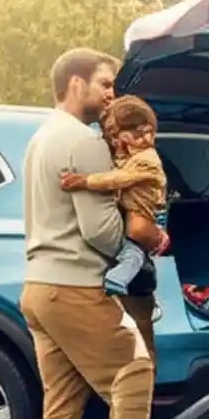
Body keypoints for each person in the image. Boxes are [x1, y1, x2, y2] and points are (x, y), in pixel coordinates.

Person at [19, 47, 166, 419]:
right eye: (105, 84)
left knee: (59, 415)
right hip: (76, 287)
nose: (111, 94)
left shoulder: (39, 139)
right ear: (75, 82)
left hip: (38, 288)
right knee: (135, 377)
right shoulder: (83, 143)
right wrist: (146, 236)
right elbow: (101, 232)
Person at [58, 94, 169, 296]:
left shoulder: (148, 160)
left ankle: (117, 280)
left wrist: (85, 181)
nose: (146, 139)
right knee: (133, 253)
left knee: (134, 253)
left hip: (147, 216)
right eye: (137, 134)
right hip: (136, 214)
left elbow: (118, 179)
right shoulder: (131, 155)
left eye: (150, 132)